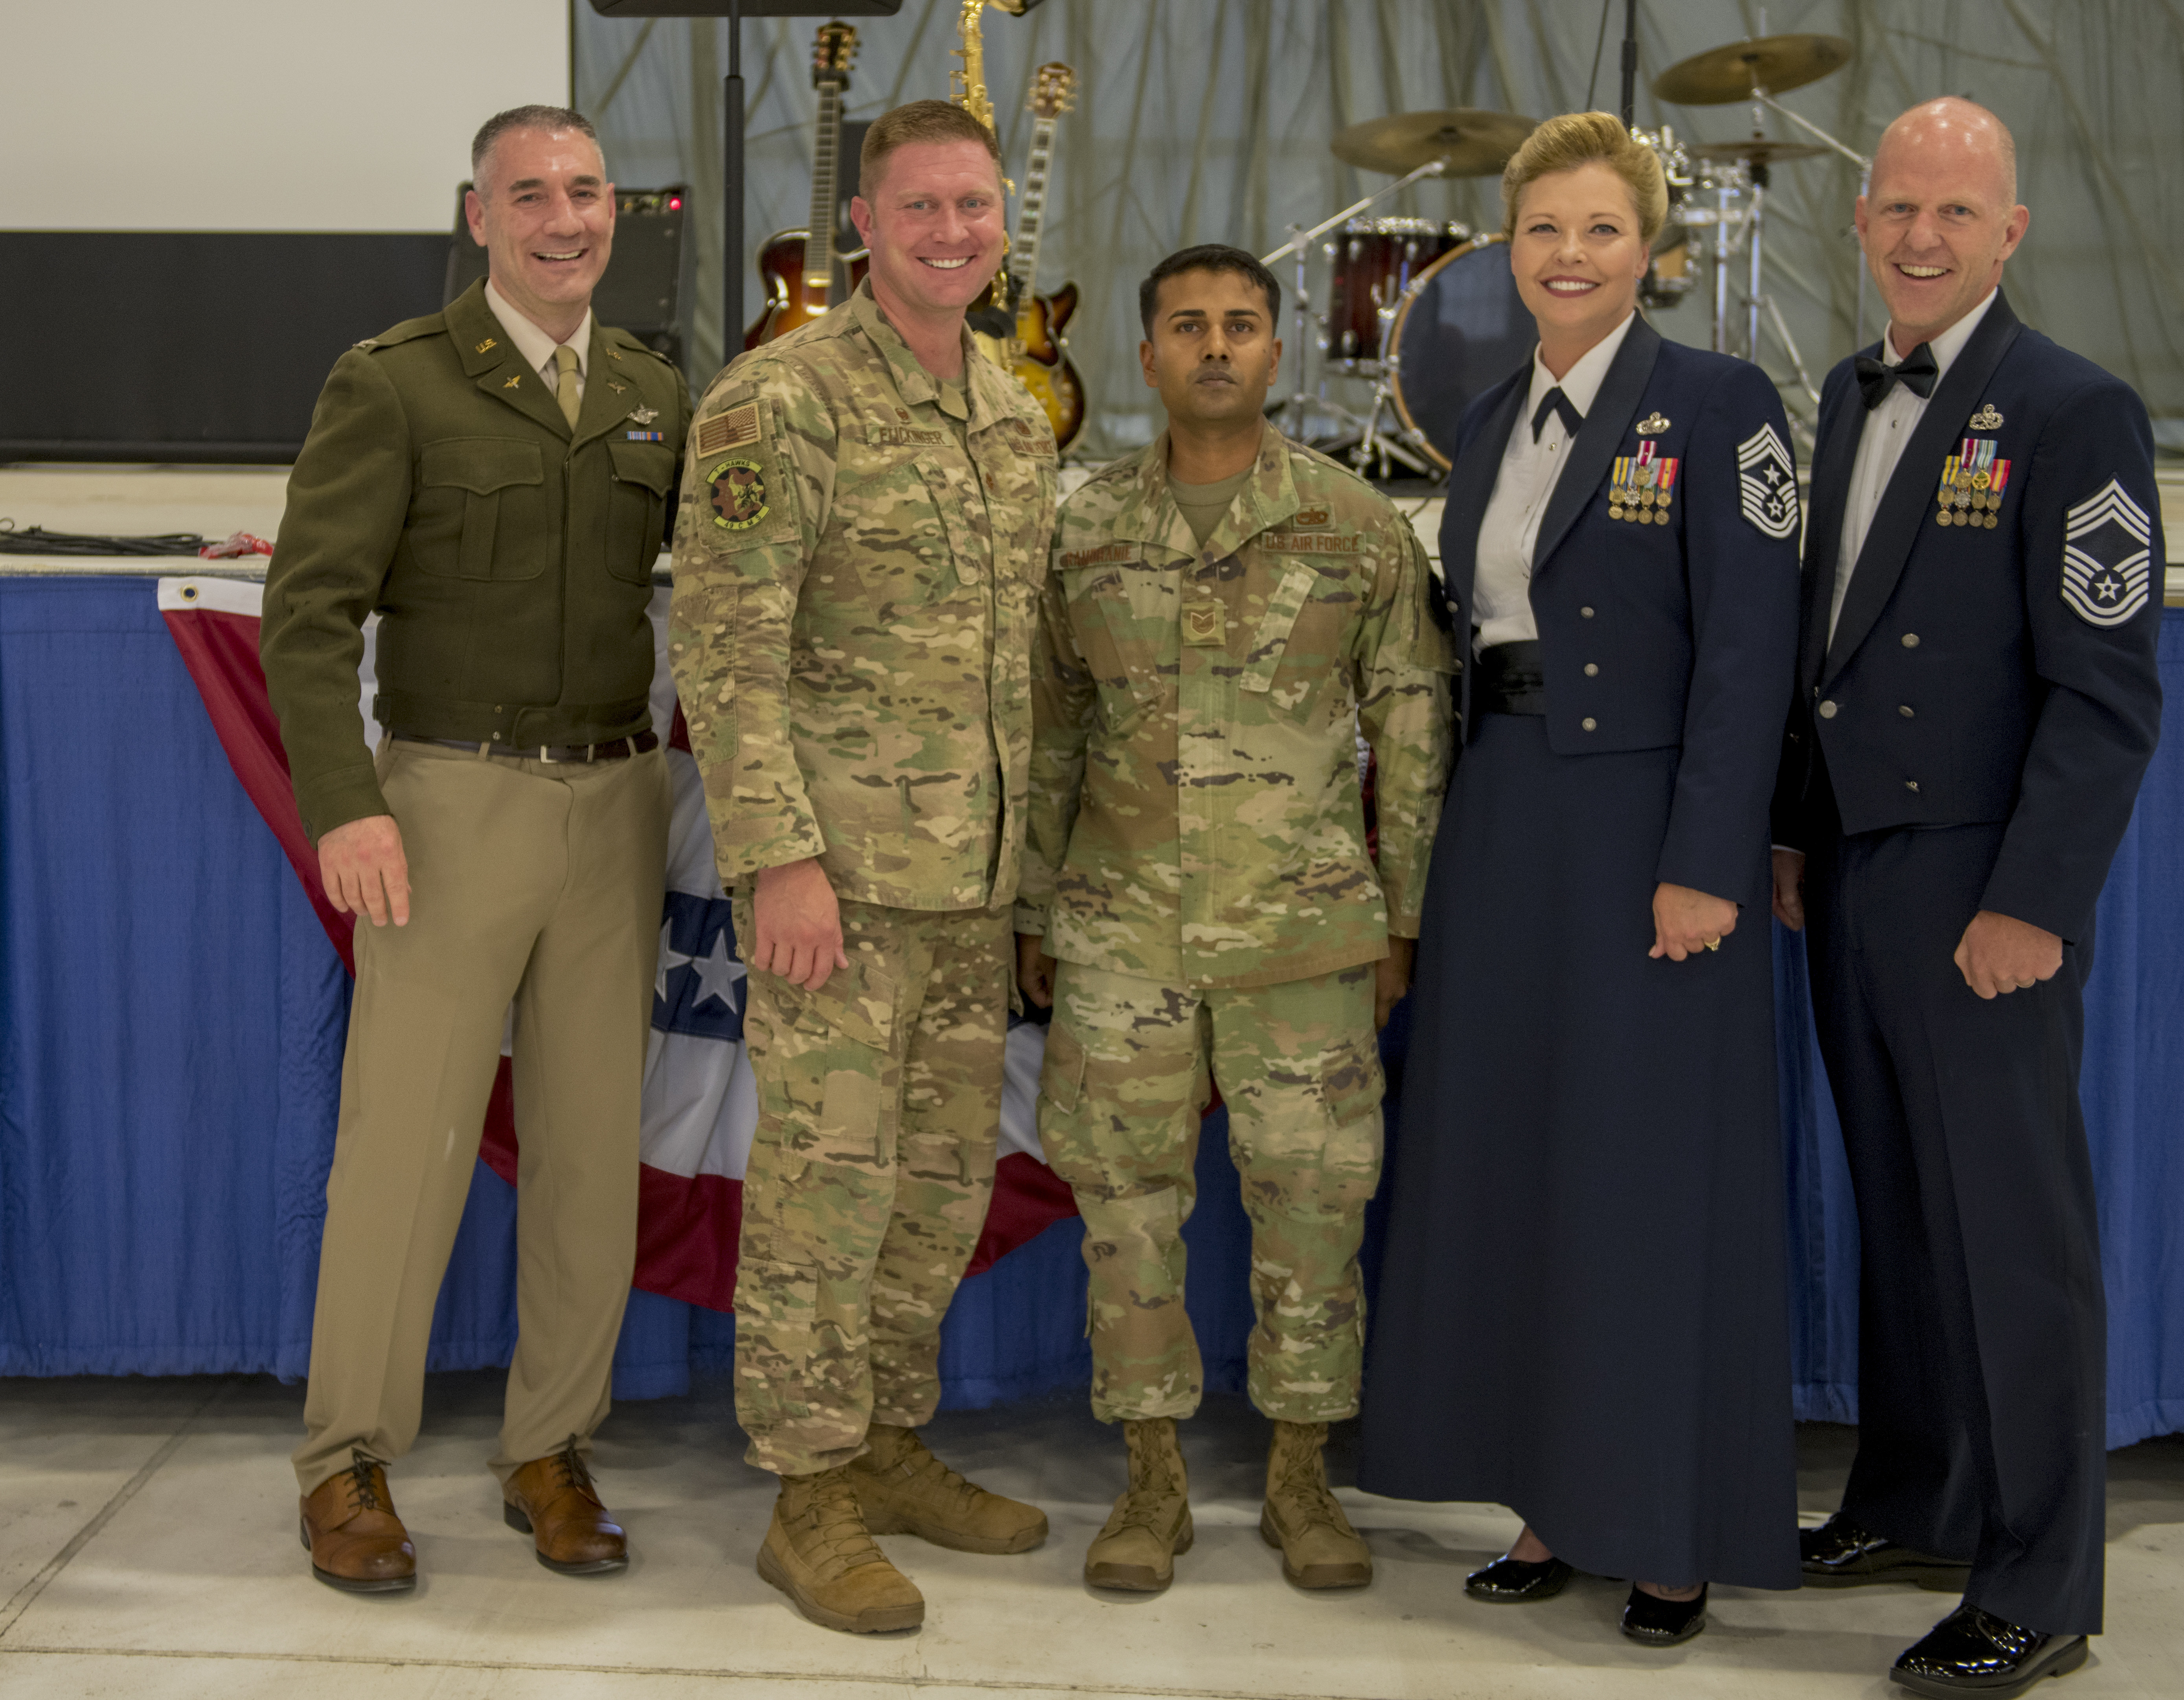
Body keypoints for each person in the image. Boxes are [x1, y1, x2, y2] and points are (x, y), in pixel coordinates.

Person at [1356, 111, 1803, 1646]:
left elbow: (1749, 662)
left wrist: (1703, 861)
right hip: (1504, 823)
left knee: (1643, 1183)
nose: (1568, 255)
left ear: (1653, 251)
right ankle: (1548, 1501)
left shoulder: (1720, 405)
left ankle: (1664, 1525)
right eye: (1542, 229)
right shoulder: (1484, 420)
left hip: (1641, 835)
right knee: (1521, 1166)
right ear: (1506, 244)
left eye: (1601, 229)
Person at [259, 105, 689, 1591]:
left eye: (585, 190)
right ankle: (347, 1460)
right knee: (409, 1150)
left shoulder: (652, 390)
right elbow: (308, 613)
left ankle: (548, 1446)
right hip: (449, 801)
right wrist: (345, 801)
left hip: (618, 804)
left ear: (614, 211)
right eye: (531, 194)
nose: (562, 216)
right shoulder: (396, 382)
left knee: (587, 1157)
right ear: (479, 214)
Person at [1770, 98, 2162, 1699]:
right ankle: (1917, 1498)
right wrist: (1797, 834)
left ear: (2009, 235)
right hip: (1857, 873)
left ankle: (2040, 1581)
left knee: (2010, 1239)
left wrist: (2034, 900)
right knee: (1902, 1217)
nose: (1919, 238)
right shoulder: (1850, 397)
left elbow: (2104, 693)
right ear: (1858, 223)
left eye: (1954, 213)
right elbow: (1831, 655)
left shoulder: (2074, 408)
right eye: (1895, 209)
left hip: (1981, 888)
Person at [667, 99, 1061, 1637]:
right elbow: (725, 646)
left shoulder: (1013, 418)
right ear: (862, 225)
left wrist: (1024, 885)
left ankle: (888, 1439)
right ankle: (808, 1494)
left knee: (936, 1191)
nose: (953, 231)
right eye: (921, 209)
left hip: (971, 883)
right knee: (824, 1197)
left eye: (974, 206)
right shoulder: (782, 403)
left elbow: (1016, 665)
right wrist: (776, 858)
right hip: (839, 881)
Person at [1014, 245, 1454, 1596]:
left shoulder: (1355, 524)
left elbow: (1414, 724)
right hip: (1121, 937)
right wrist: (1034, 905)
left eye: (1243, 326)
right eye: (1189, 326)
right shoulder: (1081, 527)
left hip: (1306, 939)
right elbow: (1048, 729)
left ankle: (1301, 1481)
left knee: (1314, 1211)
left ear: (1280, 353)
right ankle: (1151, 1482)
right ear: (1143, 356)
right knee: (1129, 1217)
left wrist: (1406, 920)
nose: (1217, 346)